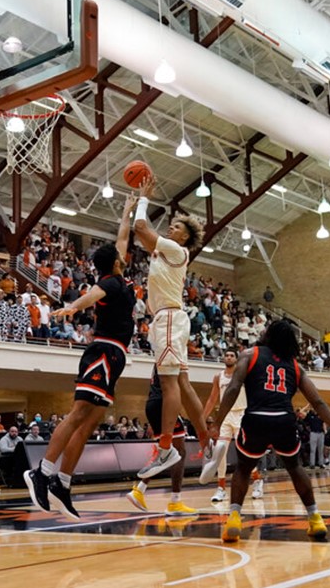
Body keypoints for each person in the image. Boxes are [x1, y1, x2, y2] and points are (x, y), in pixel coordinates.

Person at [24, 197, 137, 519]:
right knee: (77, 415)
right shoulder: (111, 282)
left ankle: (62, 480)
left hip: (115, 354)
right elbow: (94, 294)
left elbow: (122, 239)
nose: (124, 255)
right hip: (102, 350)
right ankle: (41, 472)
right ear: (115, 263)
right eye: (121, 256)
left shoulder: (119, 277)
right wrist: (75, 306)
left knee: (89, 424)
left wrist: (127, 212)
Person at [212, 320, 330, 543]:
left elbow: (233, 388)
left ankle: (234, 518)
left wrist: (217, 422)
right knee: (295, 467)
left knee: (243, 468)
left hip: (256, 418)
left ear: (268, 334)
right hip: (284, 420)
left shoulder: (250, 354)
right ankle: (315, 518)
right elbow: (317, 401)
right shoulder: (295, 366)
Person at [131, 178, 208, 478]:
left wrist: (143, 199)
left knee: (169, 385)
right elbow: (140, 236)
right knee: (184, 384)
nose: (171, 229)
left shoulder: (177, 251)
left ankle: (165, 448)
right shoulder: (164, 253)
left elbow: (142, 229)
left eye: (177, 228)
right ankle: (207, 441)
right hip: (170, 320)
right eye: (172, 225)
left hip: (169, 319)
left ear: (185, 239)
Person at [125, 366, 197, 518]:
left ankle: (139, 489)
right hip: (164, 403)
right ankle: (175, 502)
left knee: (165, 451)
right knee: (179, 452)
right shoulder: (174, 351)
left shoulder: (160, 354)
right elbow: (184, 387)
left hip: (153, 403)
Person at [198, 349, 247, 502]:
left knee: (245, 452)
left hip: (242, 414)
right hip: (225, 416)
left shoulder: (242, 375)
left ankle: (257, 481)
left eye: (232, 355)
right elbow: (212, 399)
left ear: (236, 359)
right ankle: (221, 488)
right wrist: (202, 419)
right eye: (227, 355)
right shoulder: (218, 377)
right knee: (220, 452)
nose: (229, 357)